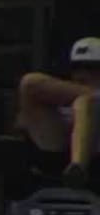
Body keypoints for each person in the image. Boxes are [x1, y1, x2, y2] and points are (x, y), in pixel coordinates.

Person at [15, 36, 100, 192]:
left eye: (91, 68)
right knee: (30, 82)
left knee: (87, 103)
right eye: (77, 68)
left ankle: (78, 167)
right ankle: (71, 172)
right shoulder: (63, 101)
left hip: (95, 160)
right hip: (57, 154)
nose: (82, 75)